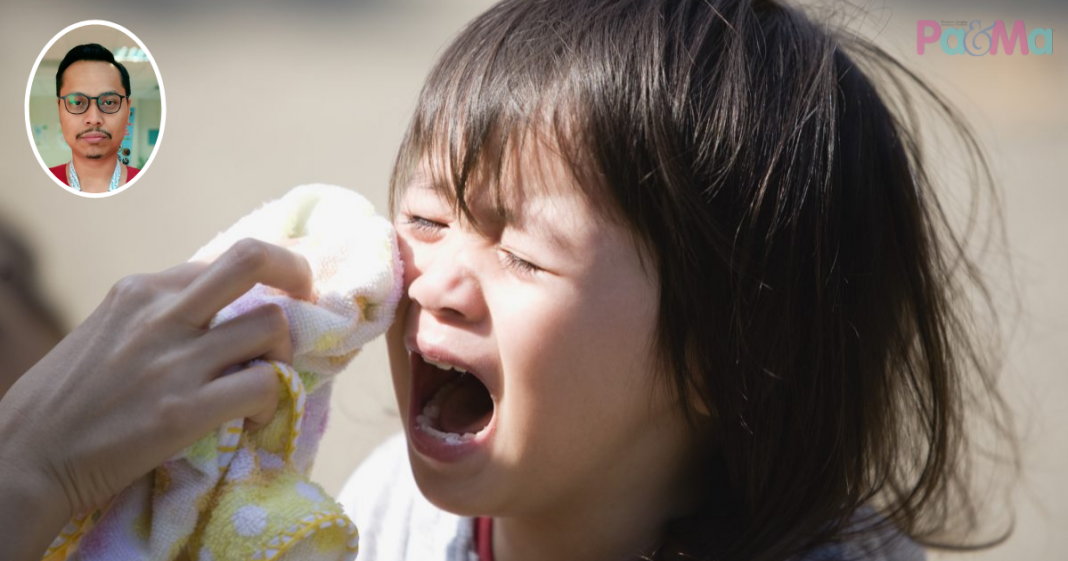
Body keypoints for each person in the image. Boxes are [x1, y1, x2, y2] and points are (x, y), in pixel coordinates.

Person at [0, 1, 1016, 560]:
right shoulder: (394, 515)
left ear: (730, 348)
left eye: (523, 254)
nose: (436, 282)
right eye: (426, 220)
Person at [48, 44, 140, 193]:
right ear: (60, 109)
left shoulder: (153, 187)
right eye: (77, 103)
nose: (93, 118)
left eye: (109, 102)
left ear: (128, 109)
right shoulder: (35, 186)